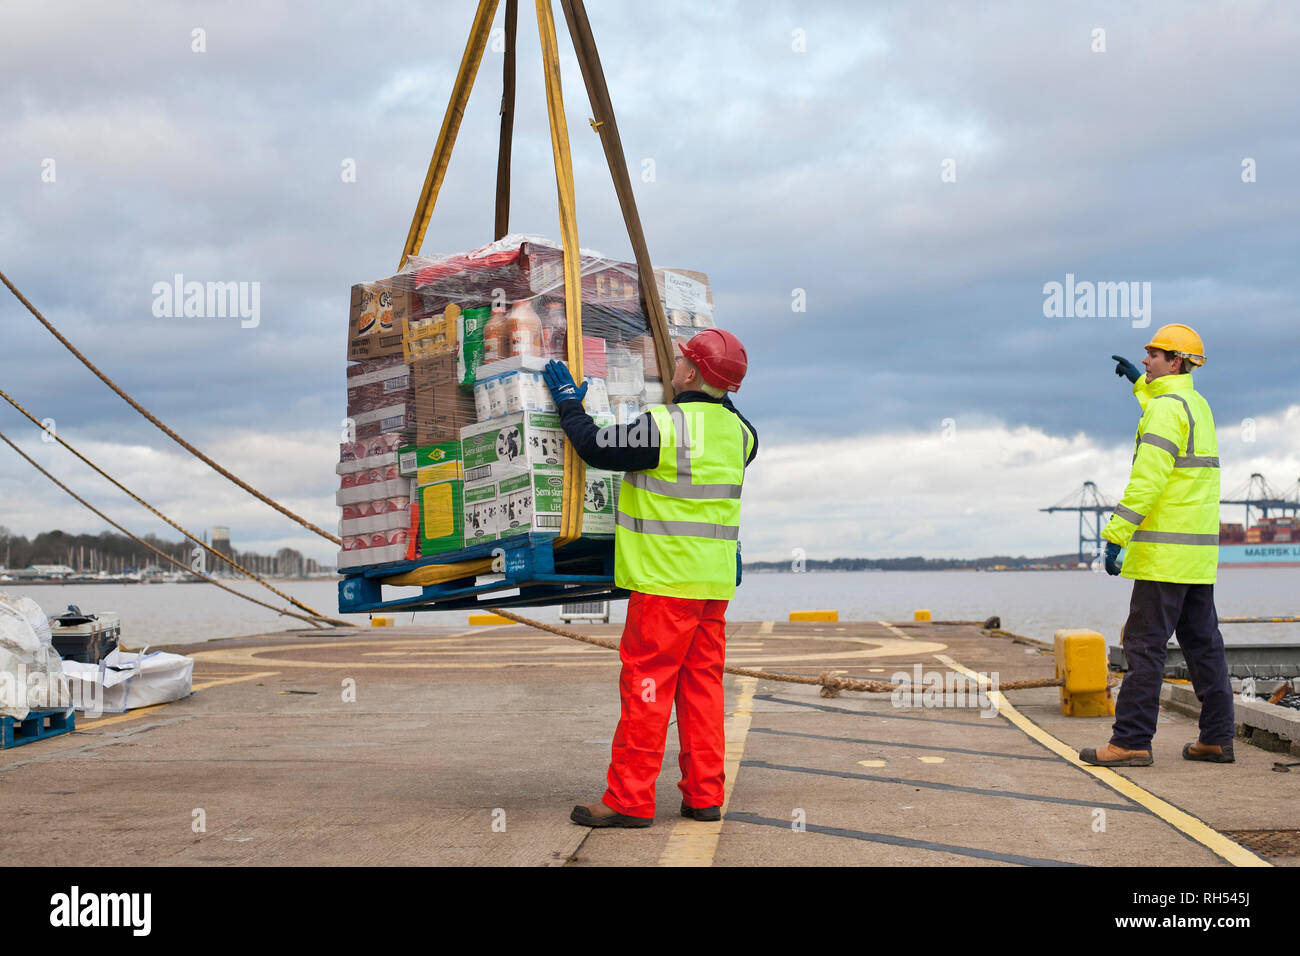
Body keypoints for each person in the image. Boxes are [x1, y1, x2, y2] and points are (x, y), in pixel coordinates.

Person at [542, 329, 758, 827]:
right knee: (702, 690)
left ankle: (629, 800)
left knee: (647, 686)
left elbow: (595, 446)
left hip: (665, 585)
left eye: (682, 362)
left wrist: (568, 402)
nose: (674, 367)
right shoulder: (743, 436)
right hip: (713, 588)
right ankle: (704, 796)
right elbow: (732, 418)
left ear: (692, 373)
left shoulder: (666, 425)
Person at [1081, 324, 1235, 767]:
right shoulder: (1195, 405)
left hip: (1163, 557)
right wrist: (1139, 386)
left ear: (1177, 362)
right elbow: (1167, 406)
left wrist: (1115, 536)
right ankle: (1218, 737)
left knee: (1144, 646)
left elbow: (1147, 482)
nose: (1145, 359)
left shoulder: (1166, 410)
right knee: (1204, 645)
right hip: (1196, 556)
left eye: (1154, 355)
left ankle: (1130, 740)